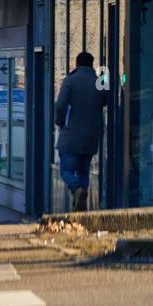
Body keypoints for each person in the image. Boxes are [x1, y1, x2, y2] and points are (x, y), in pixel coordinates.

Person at [55, 51, 110, 211]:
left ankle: (76, 188)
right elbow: (107, 100)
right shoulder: (99, 81)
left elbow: (60, 105)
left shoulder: (70, 80)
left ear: (77, 64)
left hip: (71, 136)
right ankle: (81, 202)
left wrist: (59, 121)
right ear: (92, 64)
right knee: (84, 172)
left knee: (66, 171)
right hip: (91, 137)